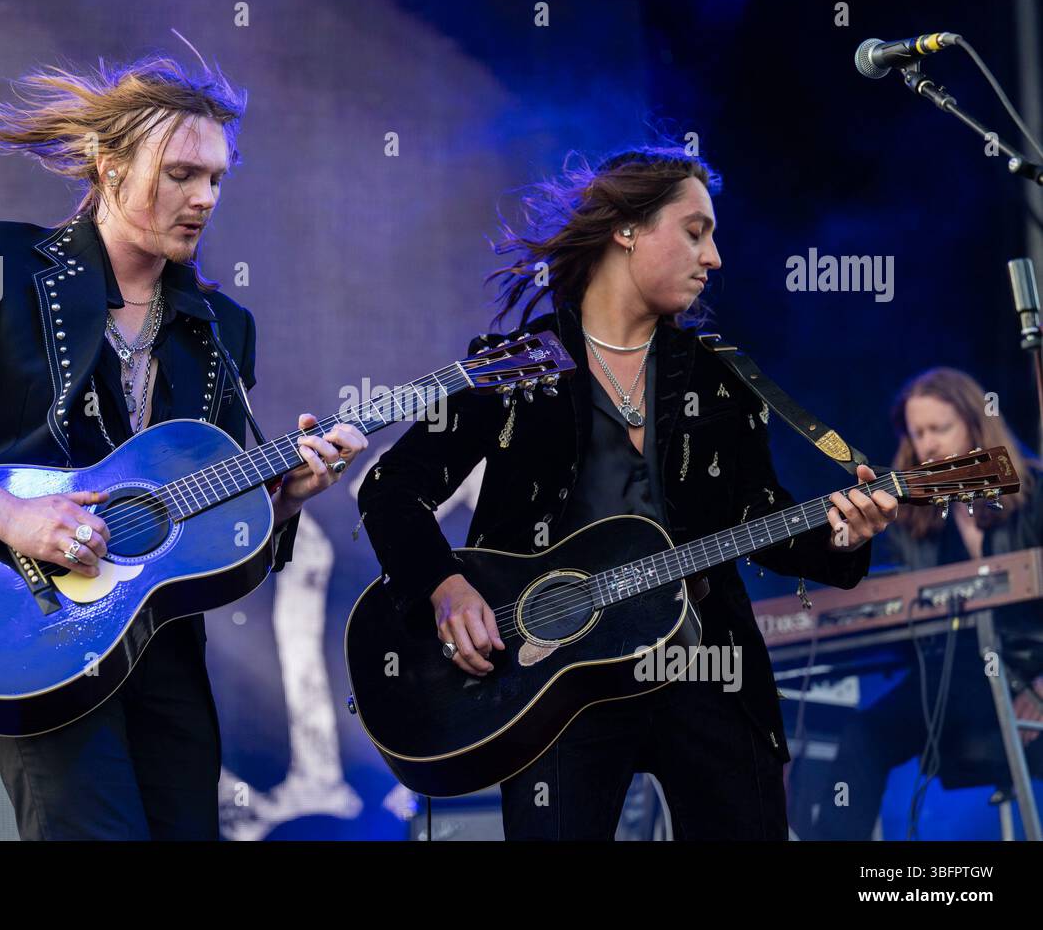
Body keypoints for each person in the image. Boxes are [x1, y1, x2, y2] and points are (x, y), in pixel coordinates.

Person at [0, 54, 366, 839]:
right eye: (182, 173)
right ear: (109, 164)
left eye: (217, 179)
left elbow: (206, 531)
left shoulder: (223, 330)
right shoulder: (6, 265)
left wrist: (283, 501)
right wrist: (14, 519)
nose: (205, 198)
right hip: (23, 619)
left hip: (158, 645)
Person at [356, 146, 897, 840]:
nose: (716, 258)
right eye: (696, 230)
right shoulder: (518, 366)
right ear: (628, 229)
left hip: (703, 660)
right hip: (553, 681)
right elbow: (390, 487)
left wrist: (842, 536)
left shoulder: (720, 379)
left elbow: (759, 513)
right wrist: (443, 587)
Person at [793, 366, 1043, 839]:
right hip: (951, 678)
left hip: (1029, 667)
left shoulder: (1034, 491)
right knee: (862, 738)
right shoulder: (912, 518)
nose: (927, 444)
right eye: (917, 433)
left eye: (939, 428)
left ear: (975, 423)